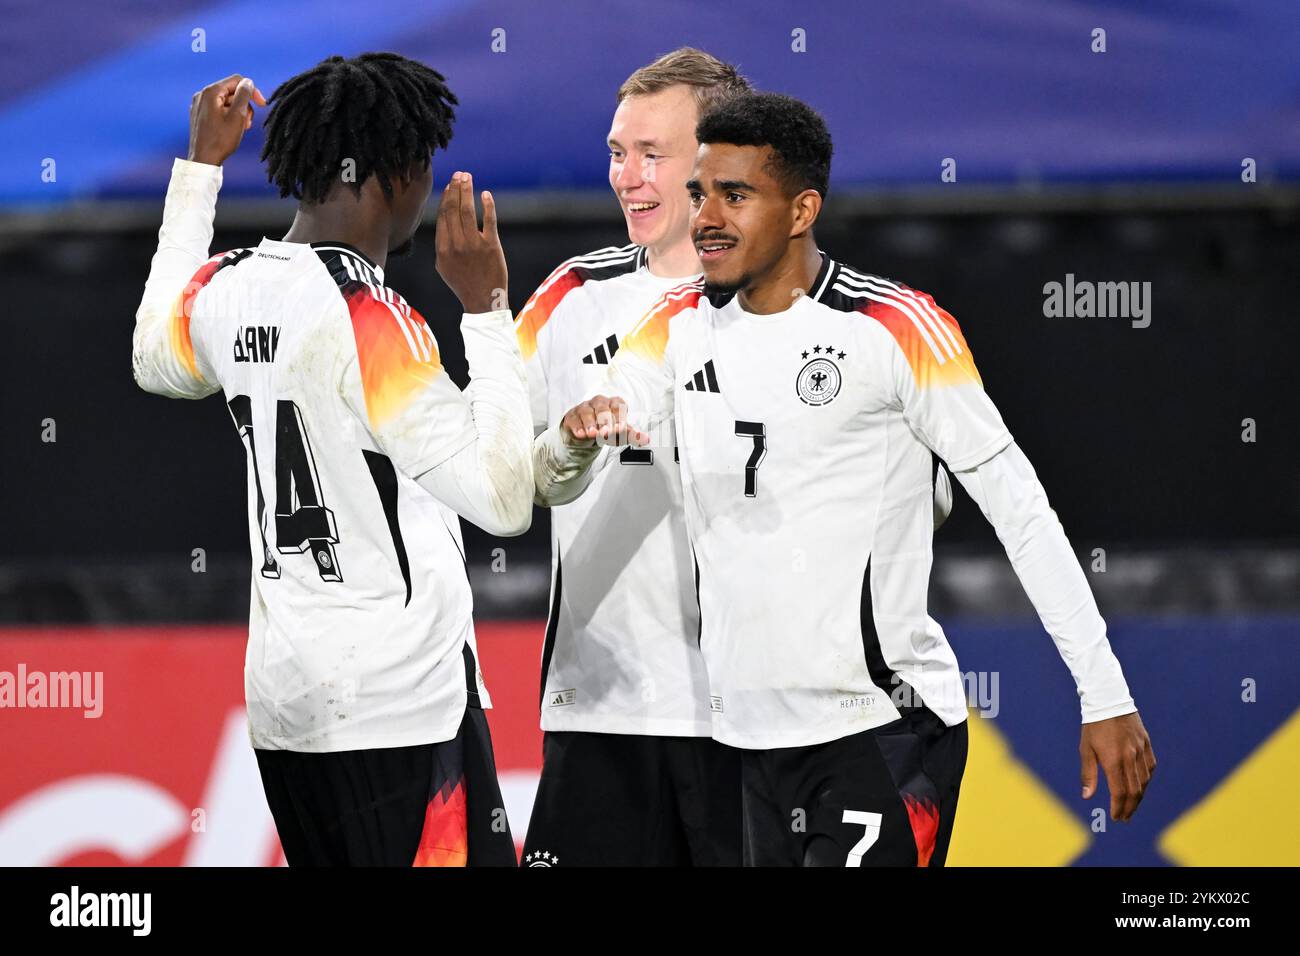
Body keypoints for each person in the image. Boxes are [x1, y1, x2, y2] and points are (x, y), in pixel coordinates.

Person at [536, 92, 1156, 866]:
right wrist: (570, 440)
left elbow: (1019, 508)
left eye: (736, 195)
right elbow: (562, 472)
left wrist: (1104, 693)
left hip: (879, 733)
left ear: (802, 210)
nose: (706, 217)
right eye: (699, 192)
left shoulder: (893, 328)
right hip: (743, 741)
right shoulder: (674, 323)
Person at [132, 54, 532, 866]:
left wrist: (199, 175)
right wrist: (488, 311)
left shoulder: (231, 284)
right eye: (423, 165)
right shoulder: (369, 313)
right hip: (399, 708)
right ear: (399, 172)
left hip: (288, 711)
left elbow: (151, 358)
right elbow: (502, 498)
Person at [517, 49, 750, 866]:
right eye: (619, 153)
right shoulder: (570, 296)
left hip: (749, 719)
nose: (629, 177)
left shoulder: (797, 311)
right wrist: (563, 445)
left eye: (654, 154)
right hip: (600, 715)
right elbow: (491, 464)